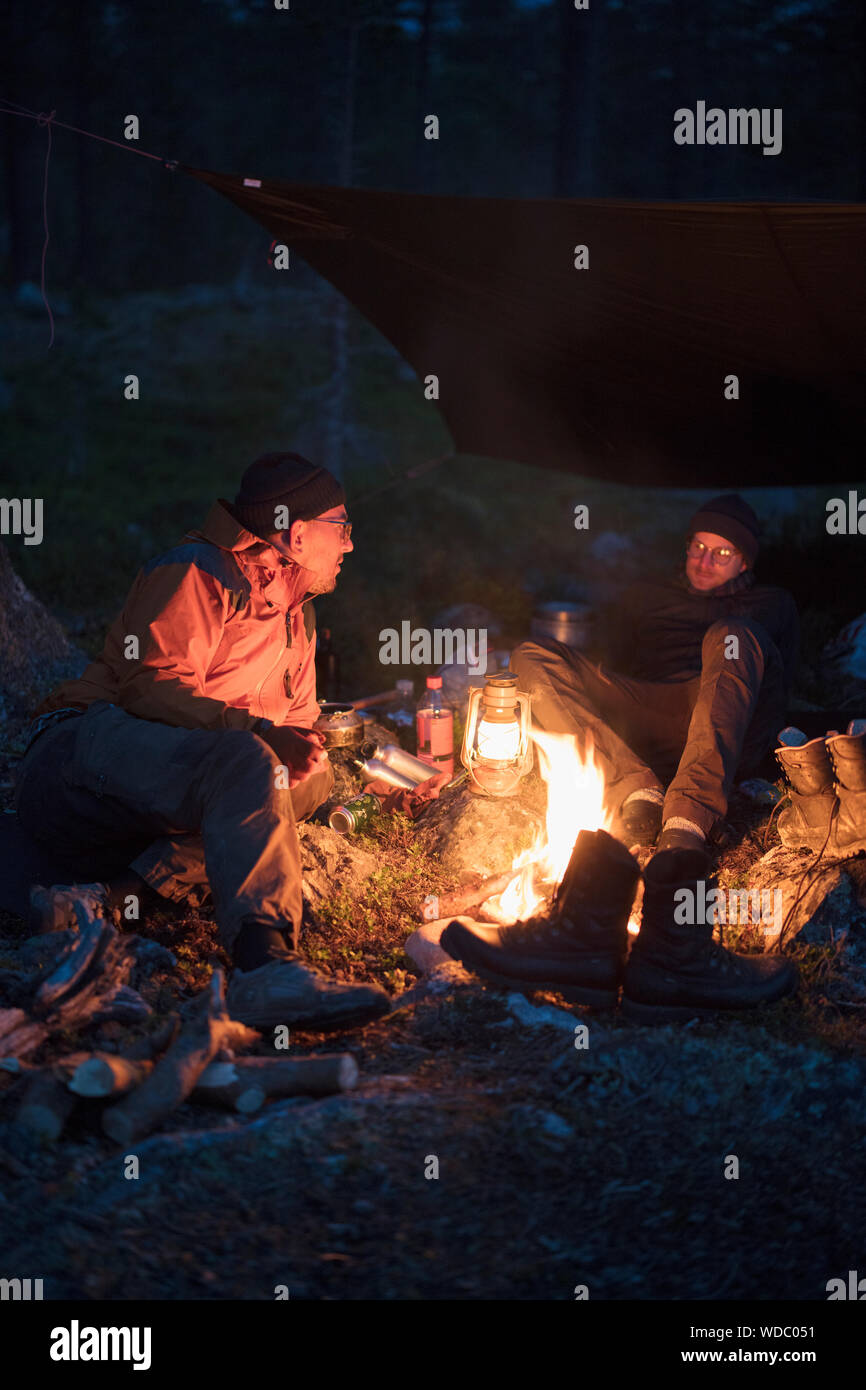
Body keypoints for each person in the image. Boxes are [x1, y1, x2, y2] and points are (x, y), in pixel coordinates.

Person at [14, 452, 390, 1032]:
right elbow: (151, 690)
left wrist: (299, 745)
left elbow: (297, 722)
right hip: (81, 754)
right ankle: (266, 968)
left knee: (310, 781)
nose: (350, 545)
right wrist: (263, 736)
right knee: (251, 761)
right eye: (341, 528)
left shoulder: (299, 620)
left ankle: (110, 897)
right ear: (295, 533)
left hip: (169, 794)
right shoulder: (196, 572)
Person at [440, 494, 801, 1016]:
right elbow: (610, 670)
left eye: (722, 555)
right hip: (652, 702)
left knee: (732, 637)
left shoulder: (771, 604)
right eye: (698, 547)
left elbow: (781, 685)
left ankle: (685, 826)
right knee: (530, 656)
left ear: (745, 561)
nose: (704, 562)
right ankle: (638, 788)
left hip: (723, 705)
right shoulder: (650, 595)